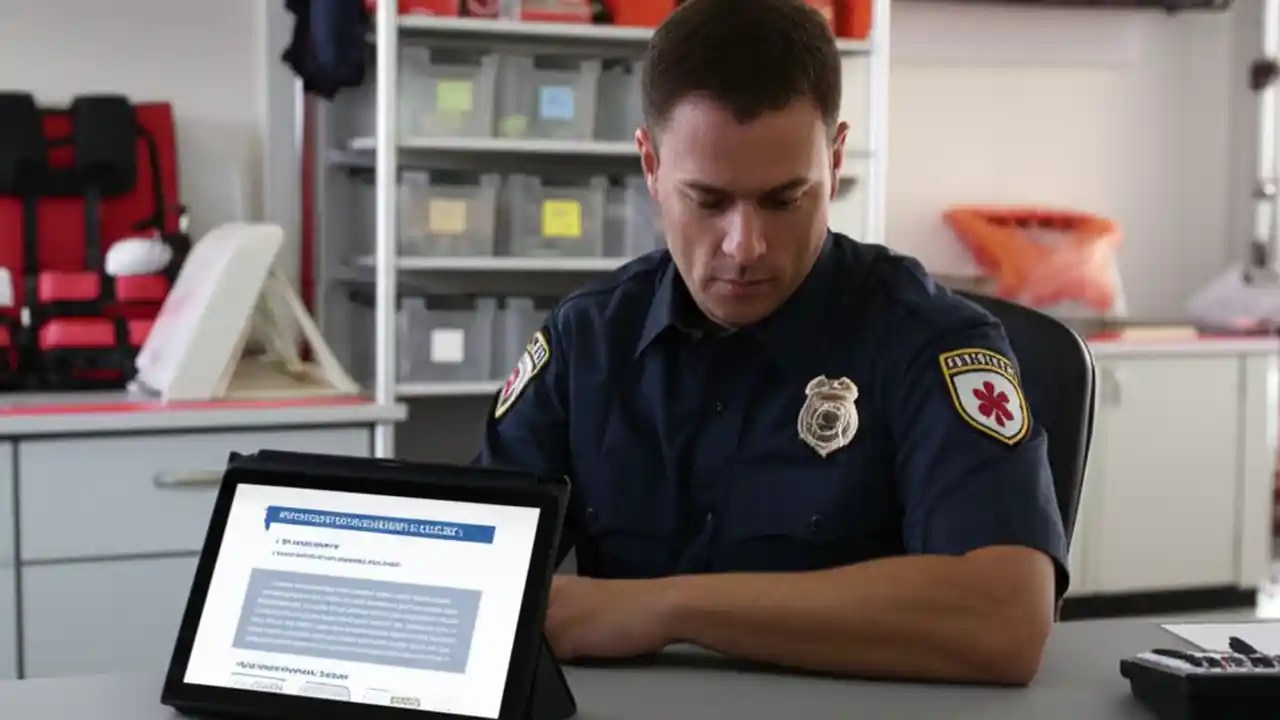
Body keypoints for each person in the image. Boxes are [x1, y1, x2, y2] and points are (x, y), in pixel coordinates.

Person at [475, 0, 1068, 686]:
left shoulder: (931, 343)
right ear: (651, 165)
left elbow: (1007, 620)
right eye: (708, 200)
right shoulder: (590, 340)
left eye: (784, 201)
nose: (745, 247)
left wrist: (665, 607)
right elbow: (476, 574)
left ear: (836, 158)